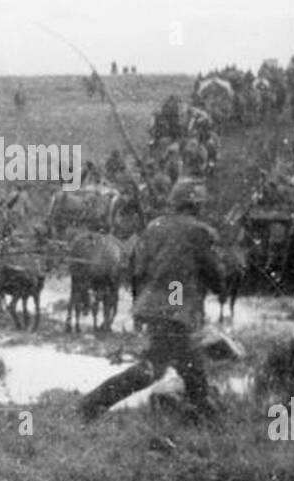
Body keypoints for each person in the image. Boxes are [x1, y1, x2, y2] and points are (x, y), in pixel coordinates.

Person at [79, 178, 225, 423]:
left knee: (181, 363)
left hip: (152, 304)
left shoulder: (154, 227)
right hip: (177, 306)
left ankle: (204, 414)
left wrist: (140, 305)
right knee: (161, 366)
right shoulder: (200, 231)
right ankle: (90, 405)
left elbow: (137, 271)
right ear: (196, 205)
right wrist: (220, 287)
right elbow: (213, 272)